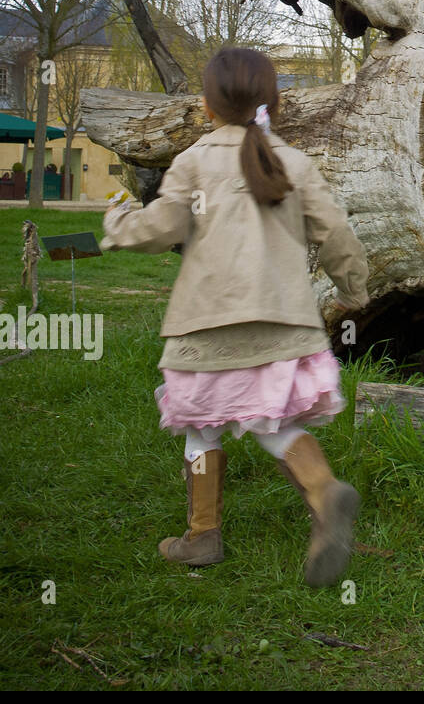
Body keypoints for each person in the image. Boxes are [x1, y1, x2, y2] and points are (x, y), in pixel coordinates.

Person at [101, 47, 369, 586]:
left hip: (207, 325)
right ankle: (322, 490)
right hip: (284, 323)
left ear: (205, 107)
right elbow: (335, 232)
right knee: (275, 421)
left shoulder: (195, 161)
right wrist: (355, 289)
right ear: (273, 102)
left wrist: (118, 219)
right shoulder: (292, 161)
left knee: (202, 426)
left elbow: (160, 230)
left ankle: (202, 535)